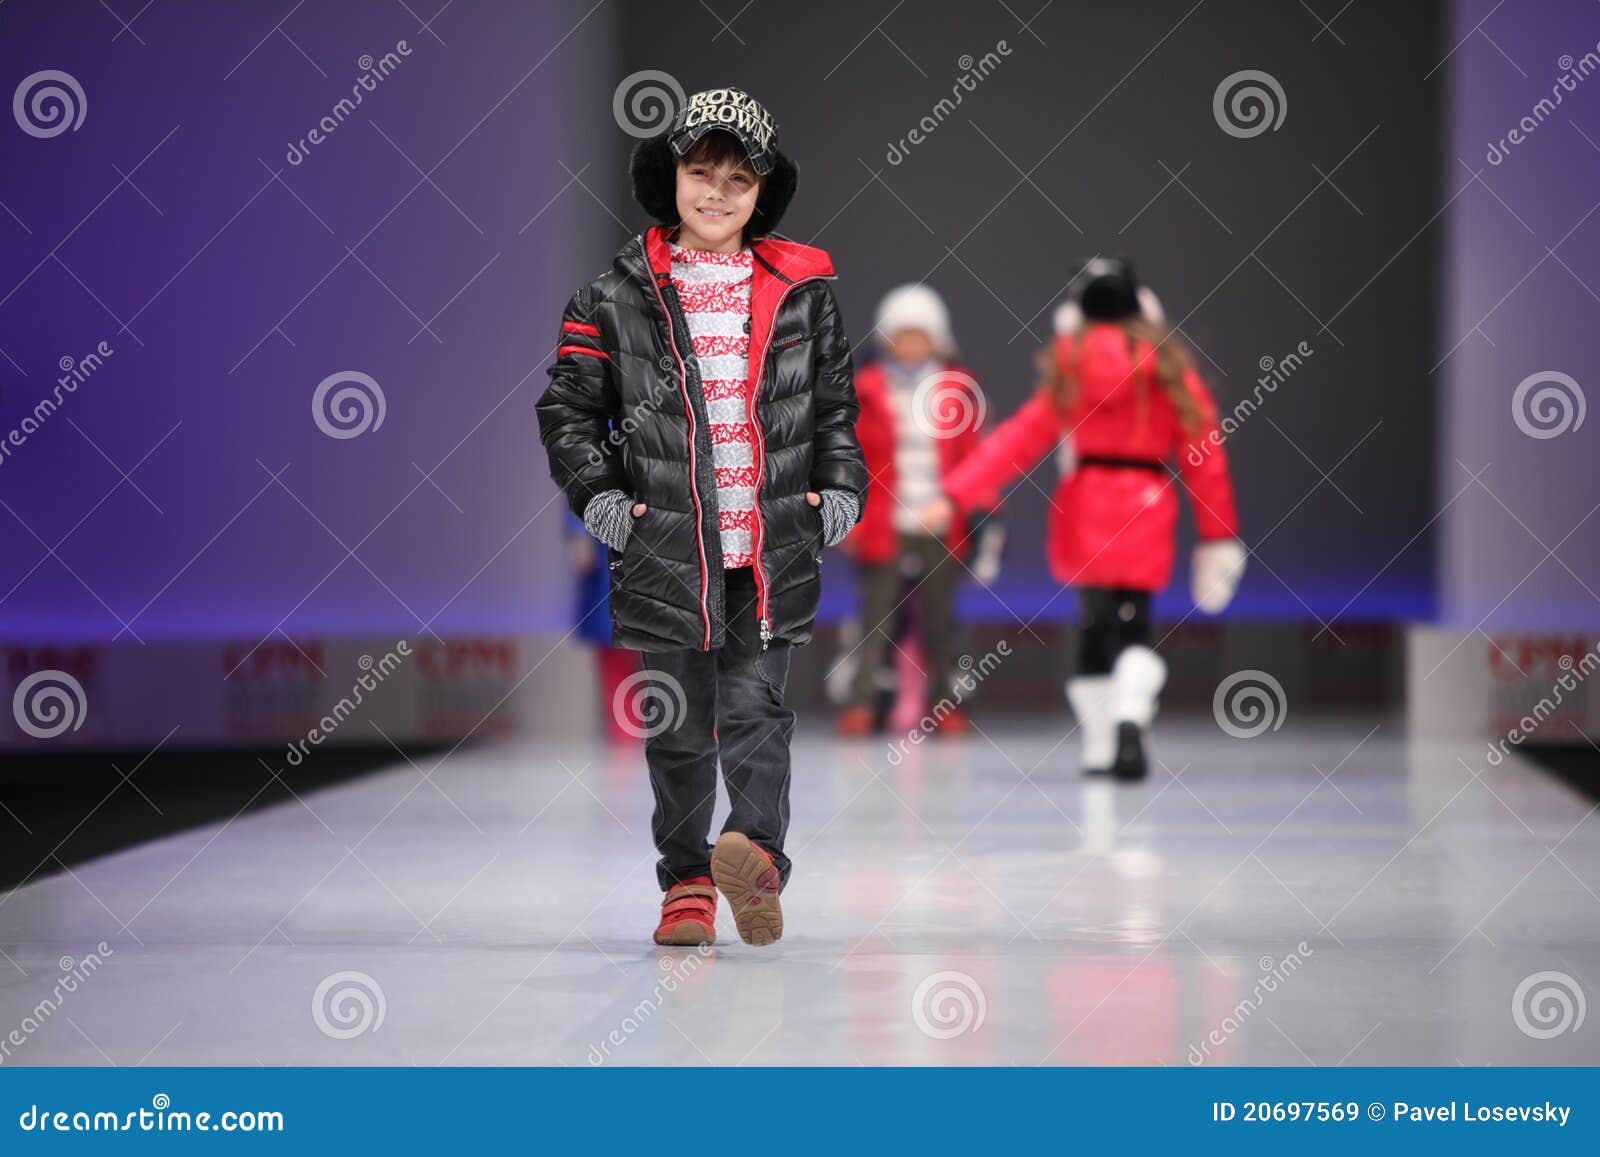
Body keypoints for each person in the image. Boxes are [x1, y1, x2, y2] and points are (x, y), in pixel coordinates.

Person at [535, 86, 867, 946]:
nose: (717, 193)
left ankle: (751, 853)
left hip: (768, 542)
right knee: (678, 721)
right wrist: (599, 495)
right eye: (700, 172)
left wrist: (839, 483)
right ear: (670, 177)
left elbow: (834, 403)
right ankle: (685, 881)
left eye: (738, 179)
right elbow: (567, 409)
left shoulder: (802, 290)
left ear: (763, 194)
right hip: (666, 544)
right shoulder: (614, 294)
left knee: (757, 709)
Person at [920, 259, 1245, 780]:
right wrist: (1218, 536)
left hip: (1088, 503)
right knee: (1134, 617)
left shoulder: (1071, 364)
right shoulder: (1167, 367)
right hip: (1146, 502)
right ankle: (1132, 711)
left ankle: (1097, 744)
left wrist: (956, 493)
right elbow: (1206, 457)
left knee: (1093, 621)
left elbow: (1020, 439)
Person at [836, 284, 1002, 736]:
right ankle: (864, 702)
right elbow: (846, 458)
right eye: (901, 336)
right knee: (875, 620)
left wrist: (982, 513)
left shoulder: (958, 390)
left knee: (940, 621)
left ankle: (948, 703)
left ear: (937, 339)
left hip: (940, 522)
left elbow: (977, 457)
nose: (909, 347)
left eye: (919, 337)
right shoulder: (863, 388)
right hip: (881, 523)